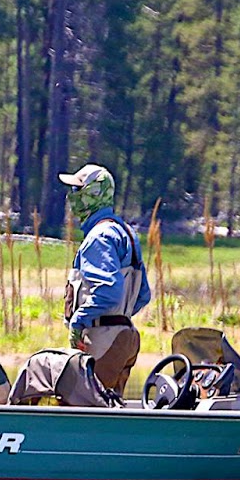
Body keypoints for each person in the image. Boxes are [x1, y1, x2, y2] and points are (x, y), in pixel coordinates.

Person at [59, 164, 152, 395]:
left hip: (103, 341)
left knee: (84, 407)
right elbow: (143, 295)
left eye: (77, 190)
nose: (72, 196)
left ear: (92, 194)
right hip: (127, 337)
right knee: (112, 408)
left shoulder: (98, 238)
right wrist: (120, 318)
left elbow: (109, 291)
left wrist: (79, 322)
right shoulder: (126, 232)